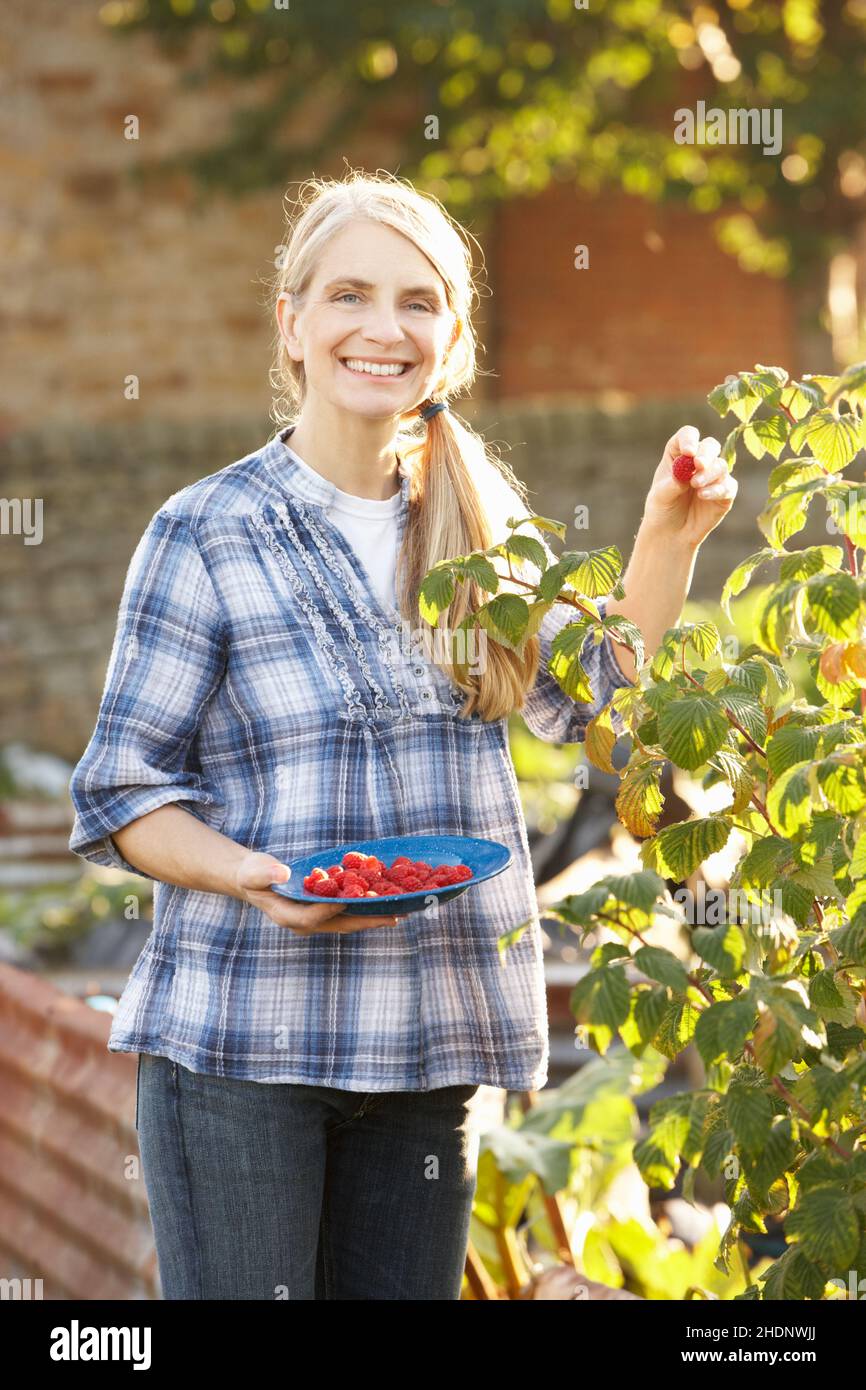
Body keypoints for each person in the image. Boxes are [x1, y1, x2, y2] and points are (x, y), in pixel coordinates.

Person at [67, 169, 737, 1301]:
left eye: (417, 303)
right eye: (348, 296)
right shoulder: (206, 530)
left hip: (426, 1048)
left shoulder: (483, 529)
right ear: (291, 323)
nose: (383, 328)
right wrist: (252, 873)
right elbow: (123, 794)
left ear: (453, 336)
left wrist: (666, 536)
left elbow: (596, 701)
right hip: (243, 1045)